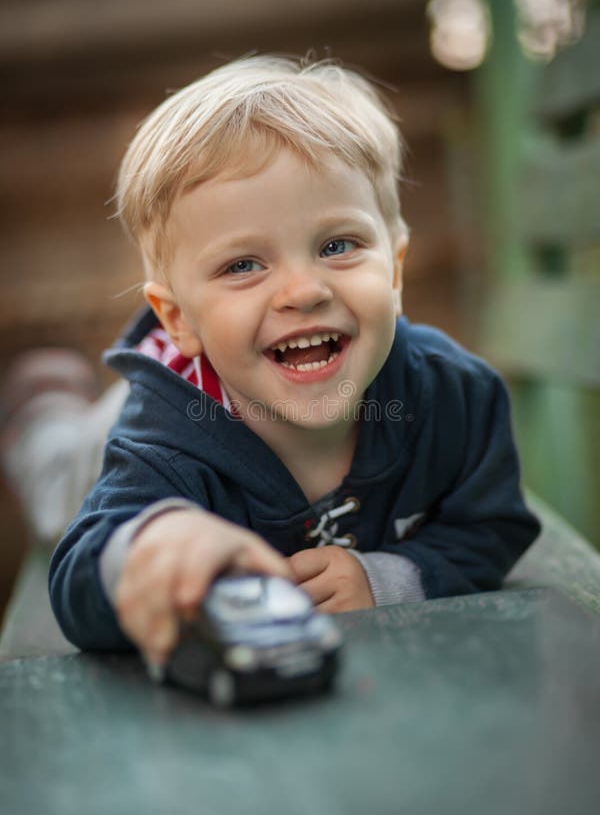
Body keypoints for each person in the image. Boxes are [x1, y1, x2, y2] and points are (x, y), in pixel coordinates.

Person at [3, 54, 540, 665]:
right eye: (243, 265)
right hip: (140, 416)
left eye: (337, 246)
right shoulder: (162, 448)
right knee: (58, 480)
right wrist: (152, 544)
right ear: (178, 318)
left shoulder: (453, 395)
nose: (303, 291)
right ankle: (43, 404)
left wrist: (395, 578)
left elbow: (491, 525)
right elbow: (78, 577)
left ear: (393, 269)